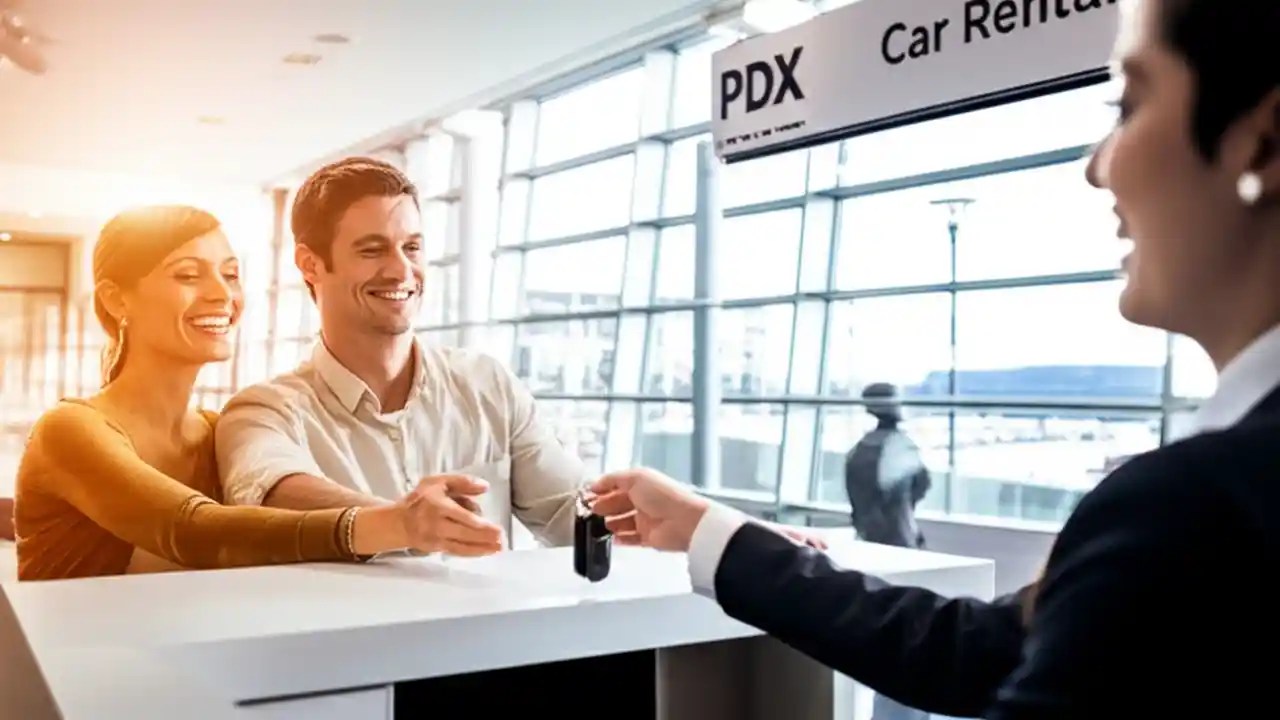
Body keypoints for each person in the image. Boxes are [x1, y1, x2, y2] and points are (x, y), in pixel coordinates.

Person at [589, 0, 1280, 716]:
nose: (1096, 167)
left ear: (1264, 141)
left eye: (1128, 105)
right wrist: (709, 531)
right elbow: (982, 650)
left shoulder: (1198, 506)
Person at [12, 205, 501, 581]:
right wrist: (394, 525)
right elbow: (196, 532)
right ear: (117, 299)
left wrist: (411, 520)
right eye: (187, 274)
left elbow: (274, 519)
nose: (221, 295)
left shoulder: (217, 431)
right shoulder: (69, 430)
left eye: (230, 273)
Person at [213, 157, 583, 550]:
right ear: (311, 265)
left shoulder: (487, 385)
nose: (401, 270)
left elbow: (570, 517)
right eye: (372, 250)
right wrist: (400, 523)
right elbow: (270, 494)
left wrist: (645, 517)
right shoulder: (263, 411)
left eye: (412, 247)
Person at [844, 382, 930, 550]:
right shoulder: (899, 447)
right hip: (897, 536)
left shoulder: (859, 449)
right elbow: (921, 486)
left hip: (869, 535)